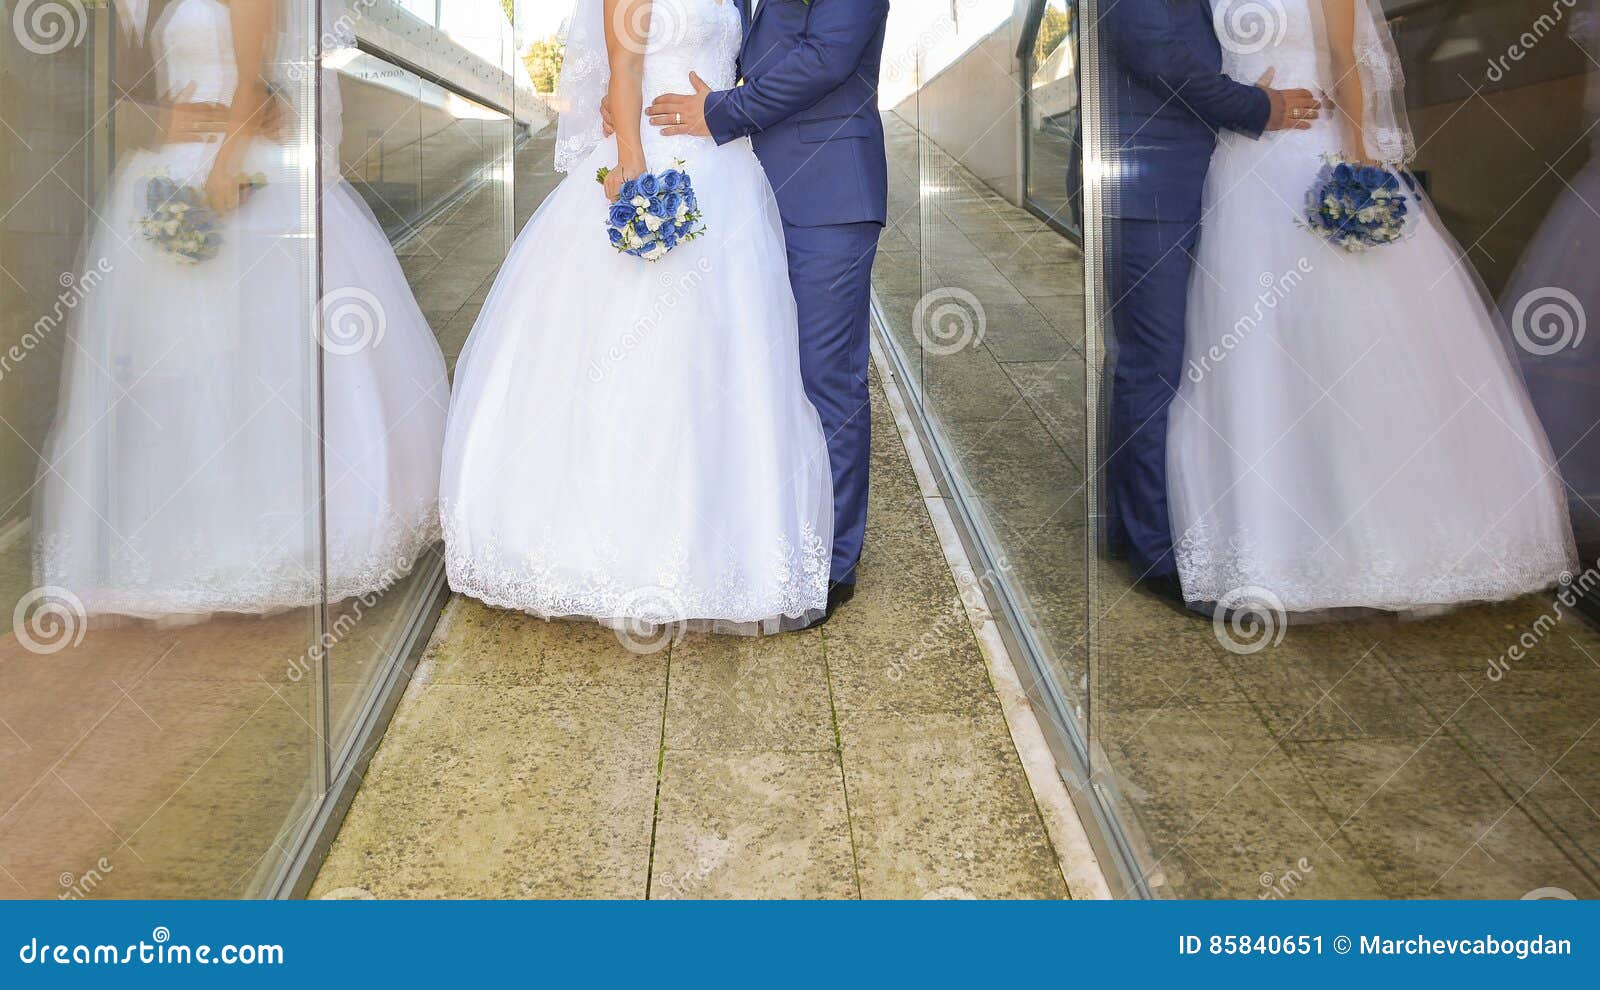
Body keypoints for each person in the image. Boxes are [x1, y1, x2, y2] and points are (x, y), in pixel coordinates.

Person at [439, 0, 837, 636]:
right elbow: (622, 71)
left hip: (727, 169)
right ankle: (611, 549)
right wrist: (630, 163)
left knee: (717, 357)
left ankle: (721, 544)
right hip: (654, 161)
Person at [1167, 0, 1577, 614]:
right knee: (1257, 351)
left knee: (1353, 344)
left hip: (1313, 159)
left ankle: (1391, 541)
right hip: (1239, 168)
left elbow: (1346, 59)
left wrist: (1358, 163)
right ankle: (1273, 543)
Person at [643, 0, 890, 616]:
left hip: (828, 187)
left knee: (825, 375)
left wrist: (722, 110)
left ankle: (832, 562)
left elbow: (826, 56)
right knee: (766, 374)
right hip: (749, 183)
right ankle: (781, 533)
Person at [1099, 0, 1320, 602]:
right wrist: (1256, 106)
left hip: (1207, 175)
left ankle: (1132, 523)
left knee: (1174, 359)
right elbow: (1152, 50)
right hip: (1146, 177)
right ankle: (1154, 554)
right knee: (1155, 361)